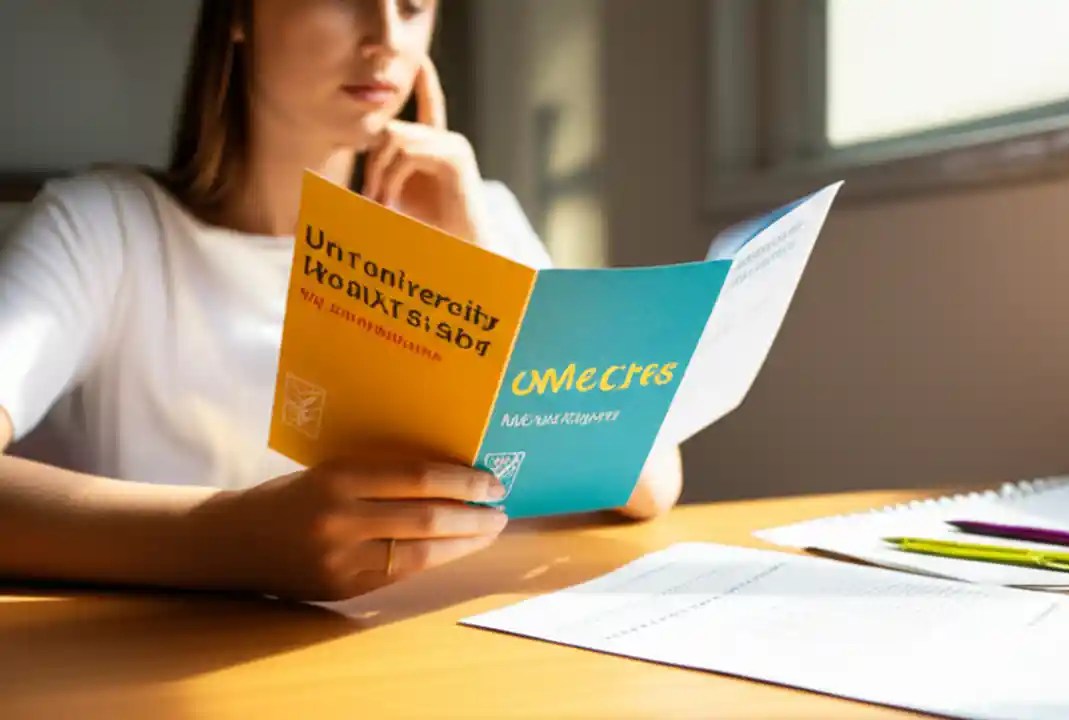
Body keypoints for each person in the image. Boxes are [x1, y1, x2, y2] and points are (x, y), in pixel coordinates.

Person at [0, 0, 683, 602]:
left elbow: (652, 479)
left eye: (412, 5)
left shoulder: (477, 209)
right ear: (237, 14)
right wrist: (238, 537)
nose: (386, 36)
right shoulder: (105, 229)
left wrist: (475, 252)